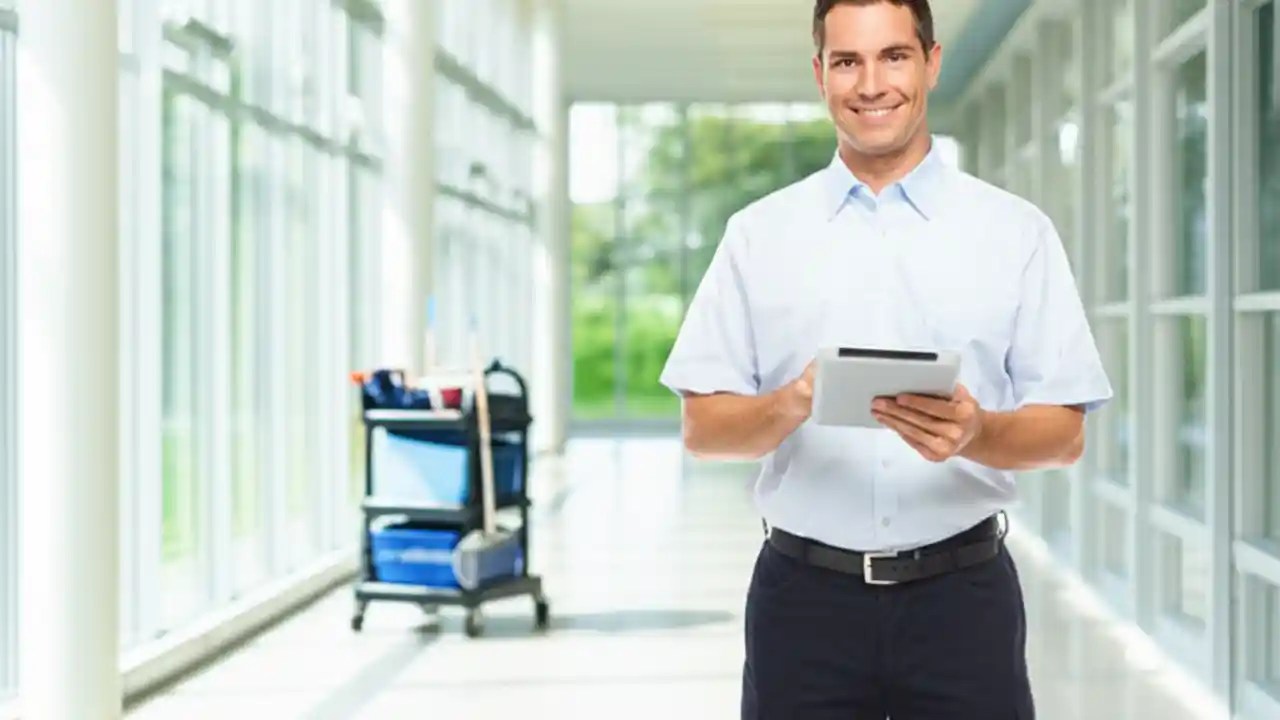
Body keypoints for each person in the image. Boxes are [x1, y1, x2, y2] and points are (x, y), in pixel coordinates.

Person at [658, 0, 1113, 718]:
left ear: (931, 63)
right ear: (820, 75)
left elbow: (1065, 433)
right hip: (802, 606)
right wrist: (794, 401)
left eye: (894, 56)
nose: (871, 84)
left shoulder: (1014, 233)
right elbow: (703, 429)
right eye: (848, 61)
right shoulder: (758, 236)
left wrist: (977, 432)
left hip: (964, 604)